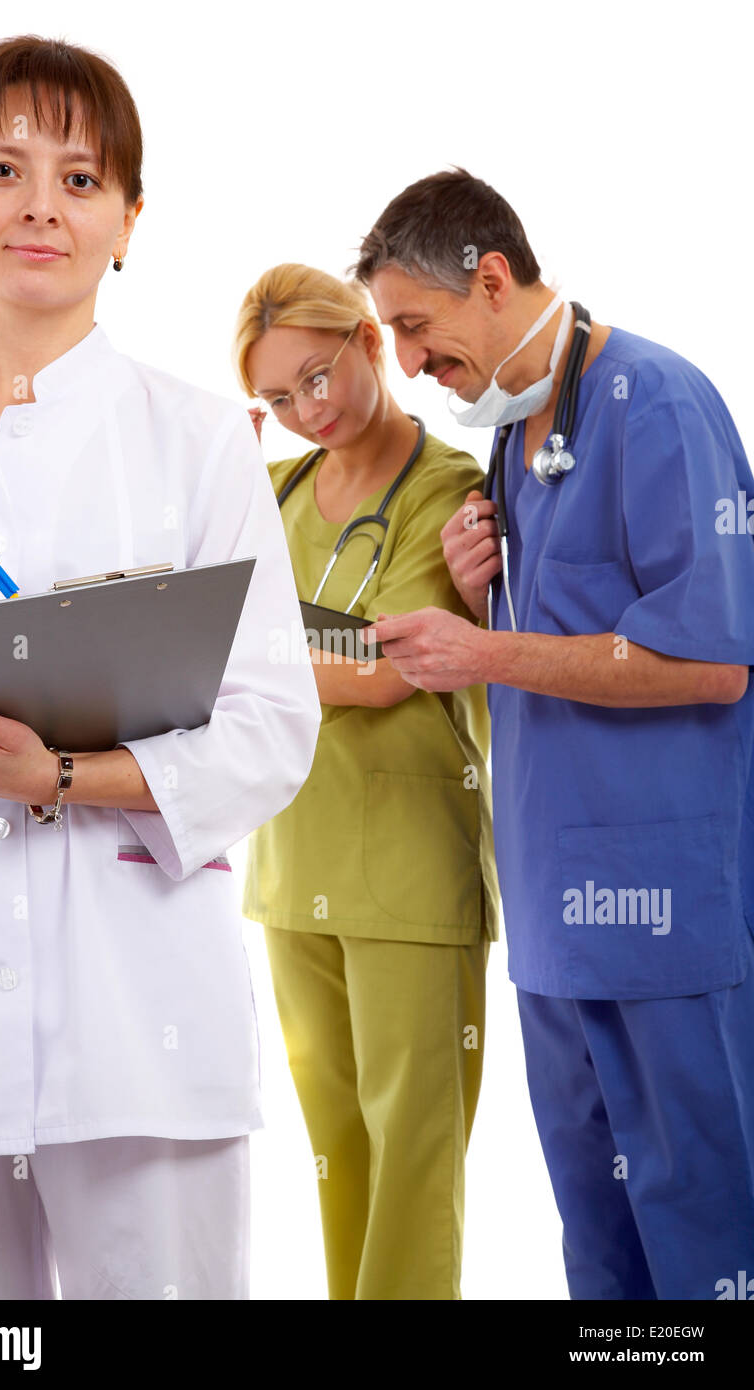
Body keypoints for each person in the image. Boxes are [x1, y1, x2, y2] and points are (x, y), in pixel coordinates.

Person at [0, 35, 320, 1301]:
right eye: (3, 168)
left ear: (130, 221)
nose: (39, 207)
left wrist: (67, 772)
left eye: (81, 181)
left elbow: (270, 725)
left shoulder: (196, 438)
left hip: (141, 1020)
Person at [351, 167, 754, 1300]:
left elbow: (715, 660)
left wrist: (481, 650)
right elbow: (561, 641)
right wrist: (488, 602)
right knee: (600, 1242)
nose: (414, 367)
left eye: (418, 331)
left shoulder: (658, 402)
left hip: (664, 914)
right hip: (552, 919)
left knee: (704, 1235)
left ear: (490, 279)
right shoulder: (520, 435)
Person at [232, 263, 500, 1299]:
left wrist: (257, 653)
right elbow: (199, 634)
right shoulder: (277, 491)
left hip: (408, 874)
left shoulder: (447, 488)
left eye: (320, 373)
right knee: (338, 1155)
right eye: (280, 398)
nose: (309, 410)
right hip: (293, 862)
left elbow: (394, 668)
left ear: (372, 343)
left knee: (413, 1160)